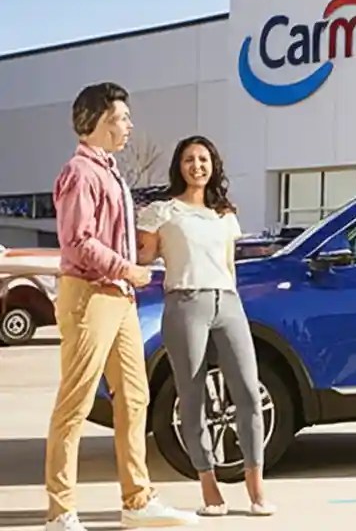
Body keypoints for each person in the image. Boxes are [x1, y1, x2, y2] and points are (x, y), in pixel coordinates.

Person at [45, 82, 199, 530]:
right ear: (98, 120)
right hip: (89, 294)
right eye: (122, 117)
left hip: (118, 296)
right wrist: (127, 269)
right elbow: (77, 241)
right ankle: (60, 511)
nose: (130, 125)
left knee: (134, 395)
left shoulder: (109, 170)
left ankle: (137, 500)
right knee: (74, 402)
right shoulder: (80, 173)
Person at [136, 135, 275, 517]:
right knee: (192, 395)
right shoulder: (163, 211)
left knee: (248, 392)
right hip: (185, 303)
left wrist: (234, 302)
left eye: (203, 159)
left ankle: (256, 488)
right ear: (178, 167)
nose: (196, 166)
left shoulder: (224, 214)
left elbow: (229, 265)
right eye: (188, 160)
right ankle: (209, 488)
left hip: (227, 302)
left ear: (213, 166)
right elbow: (143, 257)